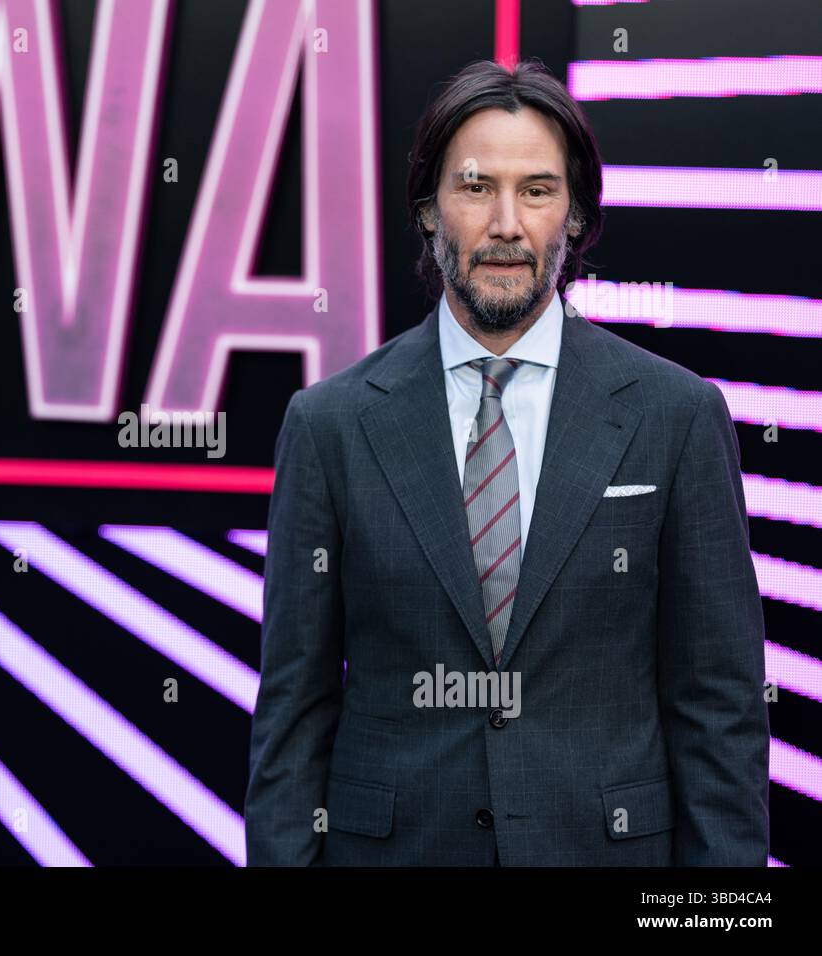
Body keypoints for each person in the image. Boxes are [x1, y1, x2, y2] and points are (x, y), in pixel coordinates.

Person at [245, 59, 769, 866]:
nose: (505, 224)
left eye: (536, 190)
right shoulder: (330, 425)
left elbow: (719, 711)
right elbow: (293, 710)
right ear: (427, 211)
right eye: (474, 186)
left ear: (576, 217)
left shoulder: (677, 417)